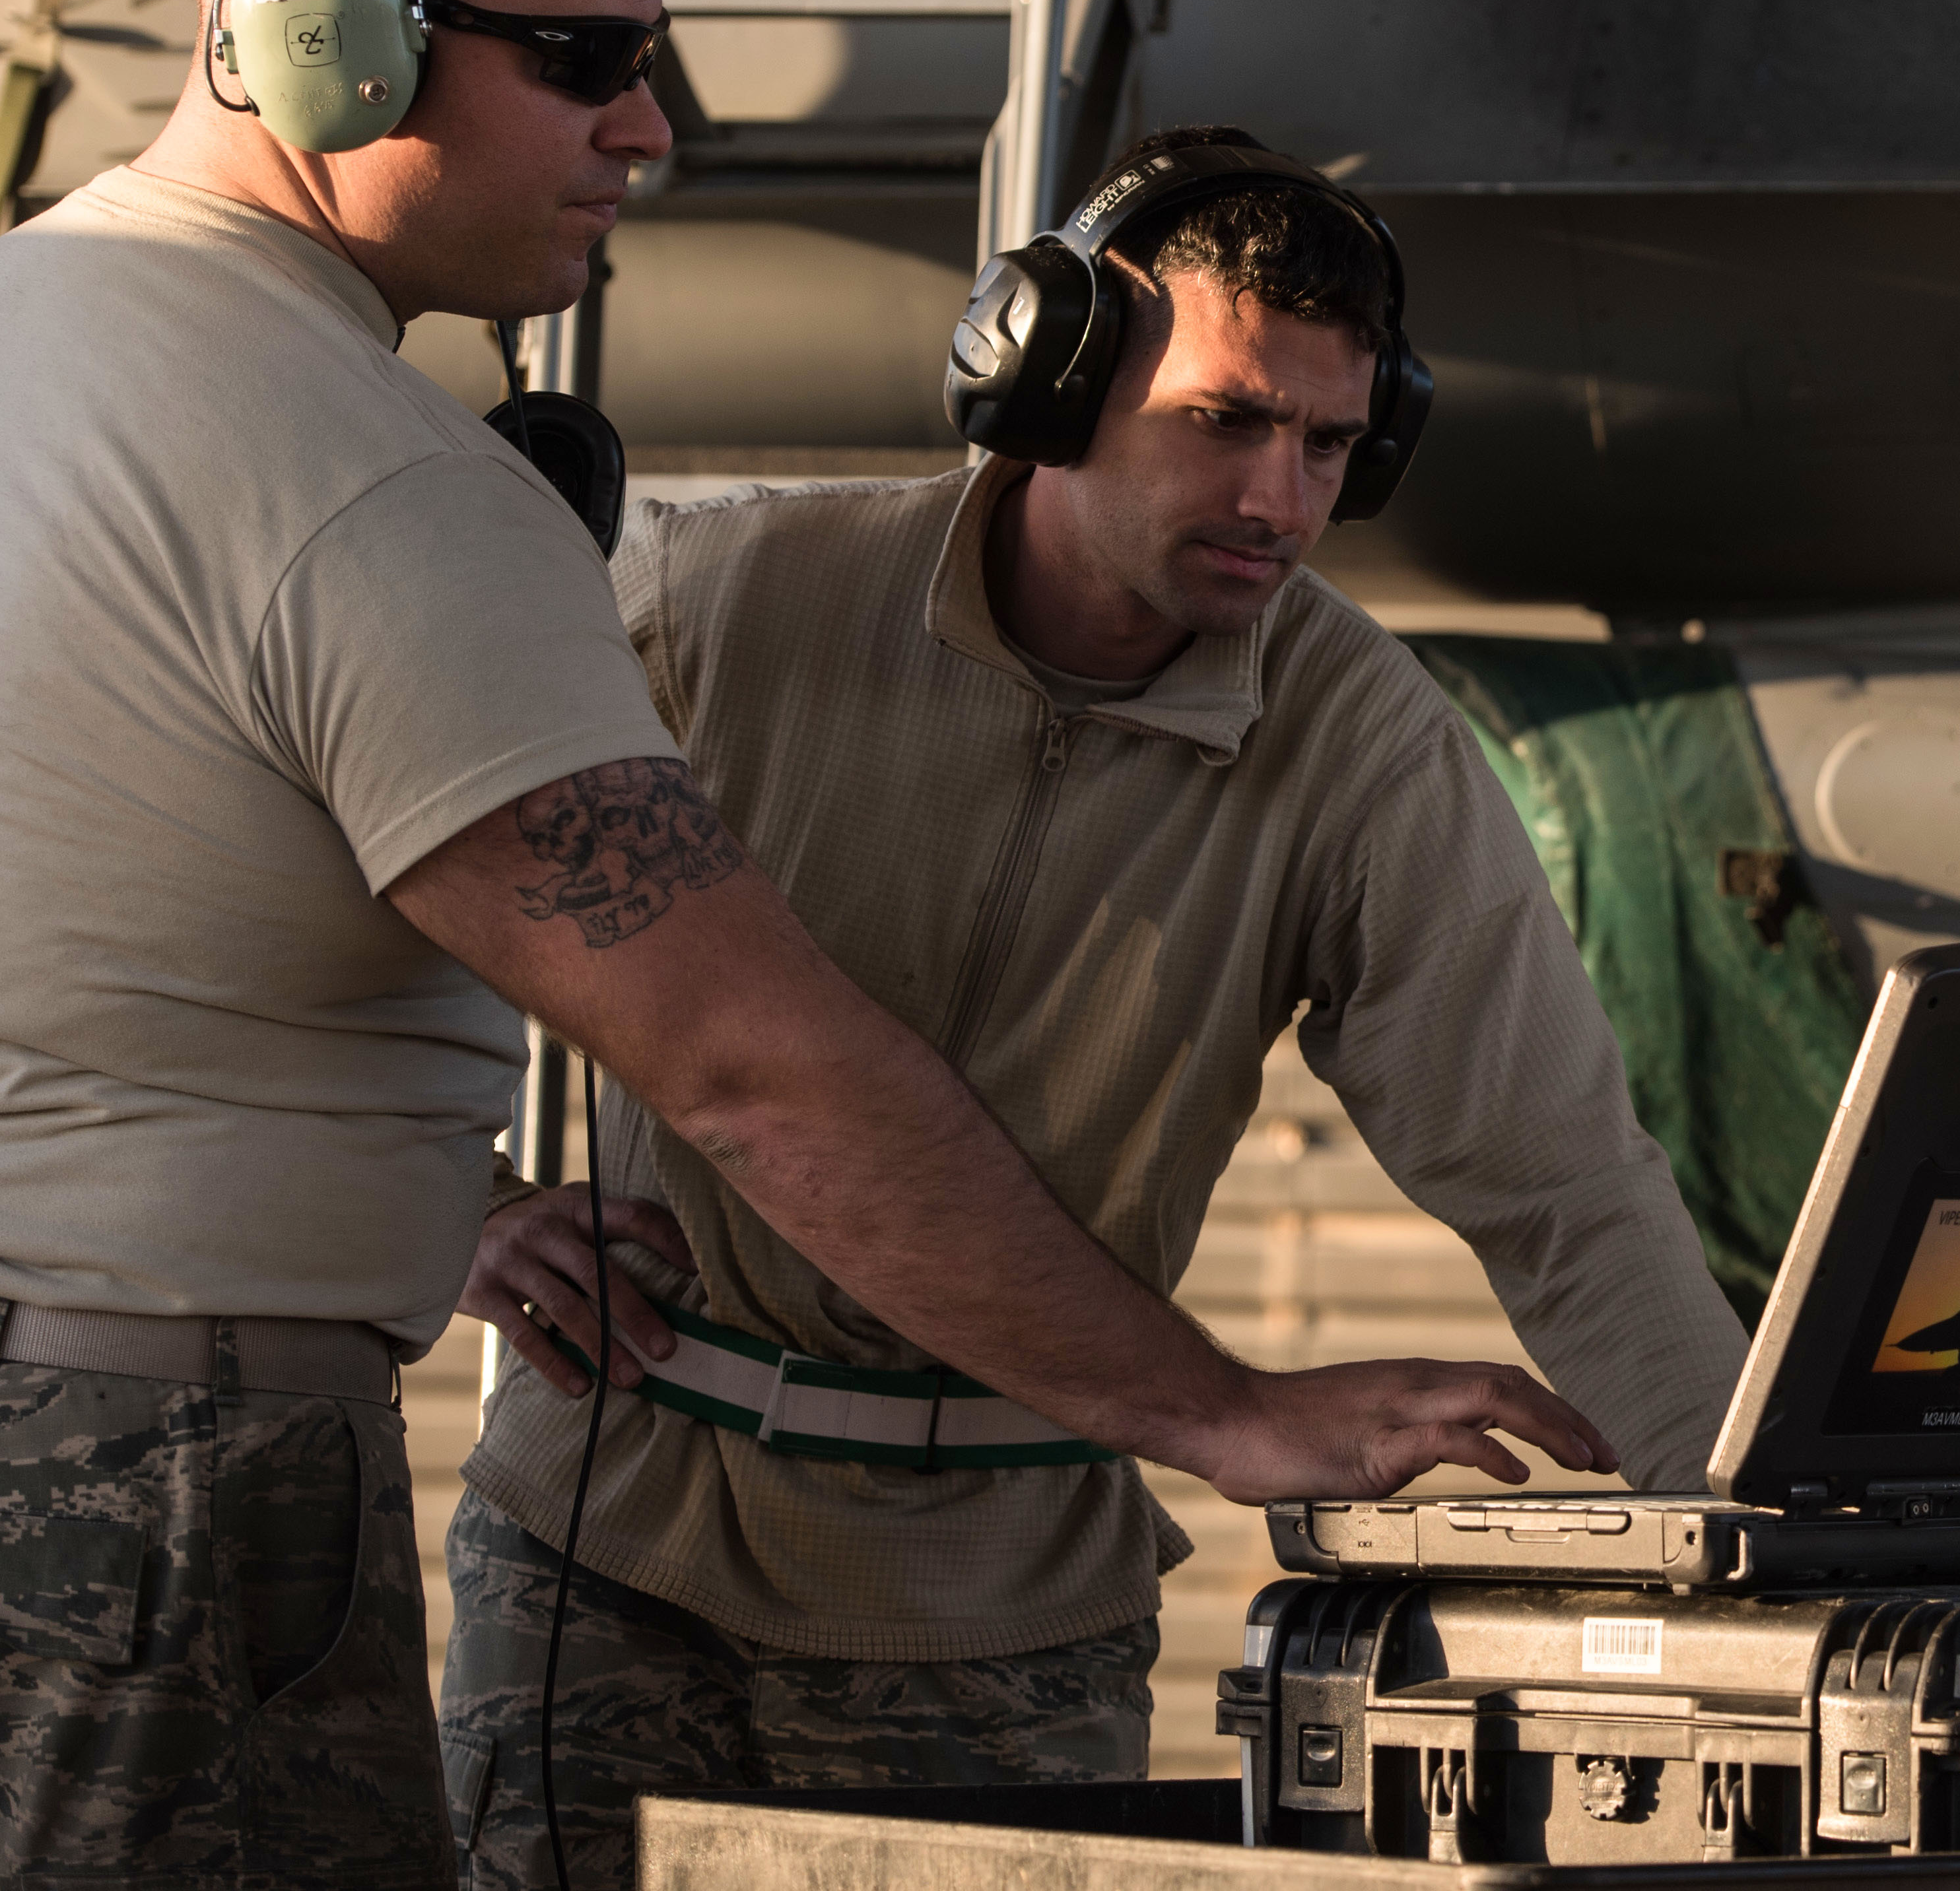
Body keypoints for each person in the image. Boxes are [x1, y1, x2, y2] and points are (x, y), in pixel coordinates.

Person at [0, 0, 1602, 1890]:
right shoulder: (379, 490)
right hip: (161, 1503)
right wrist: (1225, 1413)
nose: (647, 125)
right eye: (585, 59)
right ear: (317, 36)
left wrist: (414, 1199)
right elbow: (754, 1069)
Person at [434, 126, 1747, 1885]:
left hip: (997, 1629)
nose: (1284, 500)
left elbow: (1567, 1180)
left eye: (1332, 443)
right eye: (1224, 421)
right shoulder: (722, 601)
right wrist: (456, 1193)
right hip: (608, 1563)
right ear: (1045, 380)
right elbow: (363, 857)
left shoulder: (1365, 748)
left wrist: (1767, 1547)